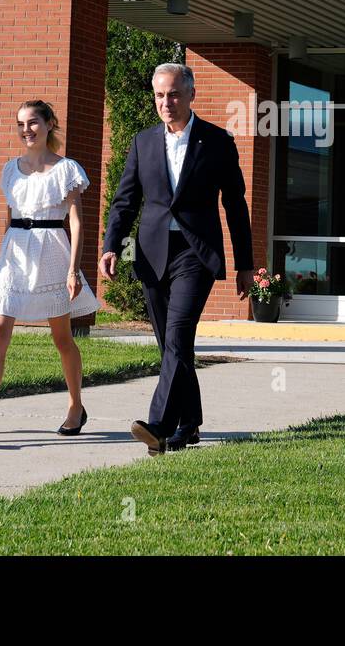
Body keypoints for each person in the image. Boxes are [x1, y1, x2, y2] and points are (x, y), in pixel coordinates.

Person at [100, 63, 255, 456]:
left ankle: (159, 425)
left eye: (172, 94)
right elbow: (125, 201)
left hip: (195, 253)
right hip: (152, 255)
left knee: (179, 334)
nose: (165, 103)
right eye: (158, 95)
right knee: (172, 344)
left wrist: (245, 264)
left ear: (191, 95)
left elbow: (236, 206)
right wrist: (111, 245)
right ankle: (190, 423)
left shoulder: (217, 141)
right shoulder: (143, 142)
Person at [0, 99, 99, 447]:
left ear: (49, 124)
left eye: (33, 122)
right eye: (20, 124)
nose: (26, 130)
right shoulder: (9, 169)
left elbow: (76, 223)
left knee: (62, 339)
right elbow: (8, 219)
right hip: (14, 254)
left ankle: (76, 406)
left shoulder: (67, 169)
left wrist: (73, 269)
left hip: (52, 251)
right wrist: (1, 258)